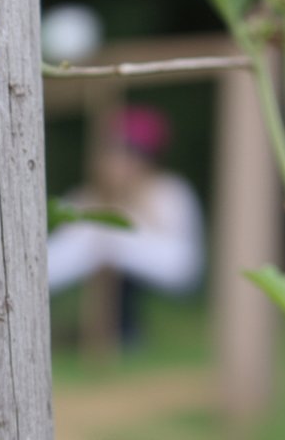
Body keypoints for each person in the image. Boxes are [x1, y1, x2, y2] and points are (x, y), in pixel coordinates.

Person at [48, 106, 204, 342]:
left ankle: (122, 329)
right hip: (104, 265)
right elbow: (62, 249)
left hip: (168, 275)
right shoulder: (85, 195)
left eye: (132, 154)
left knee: (110, 238)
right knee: (95, 237)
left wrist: (130, 204)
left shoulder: (170, 191)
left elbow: (181, 261)